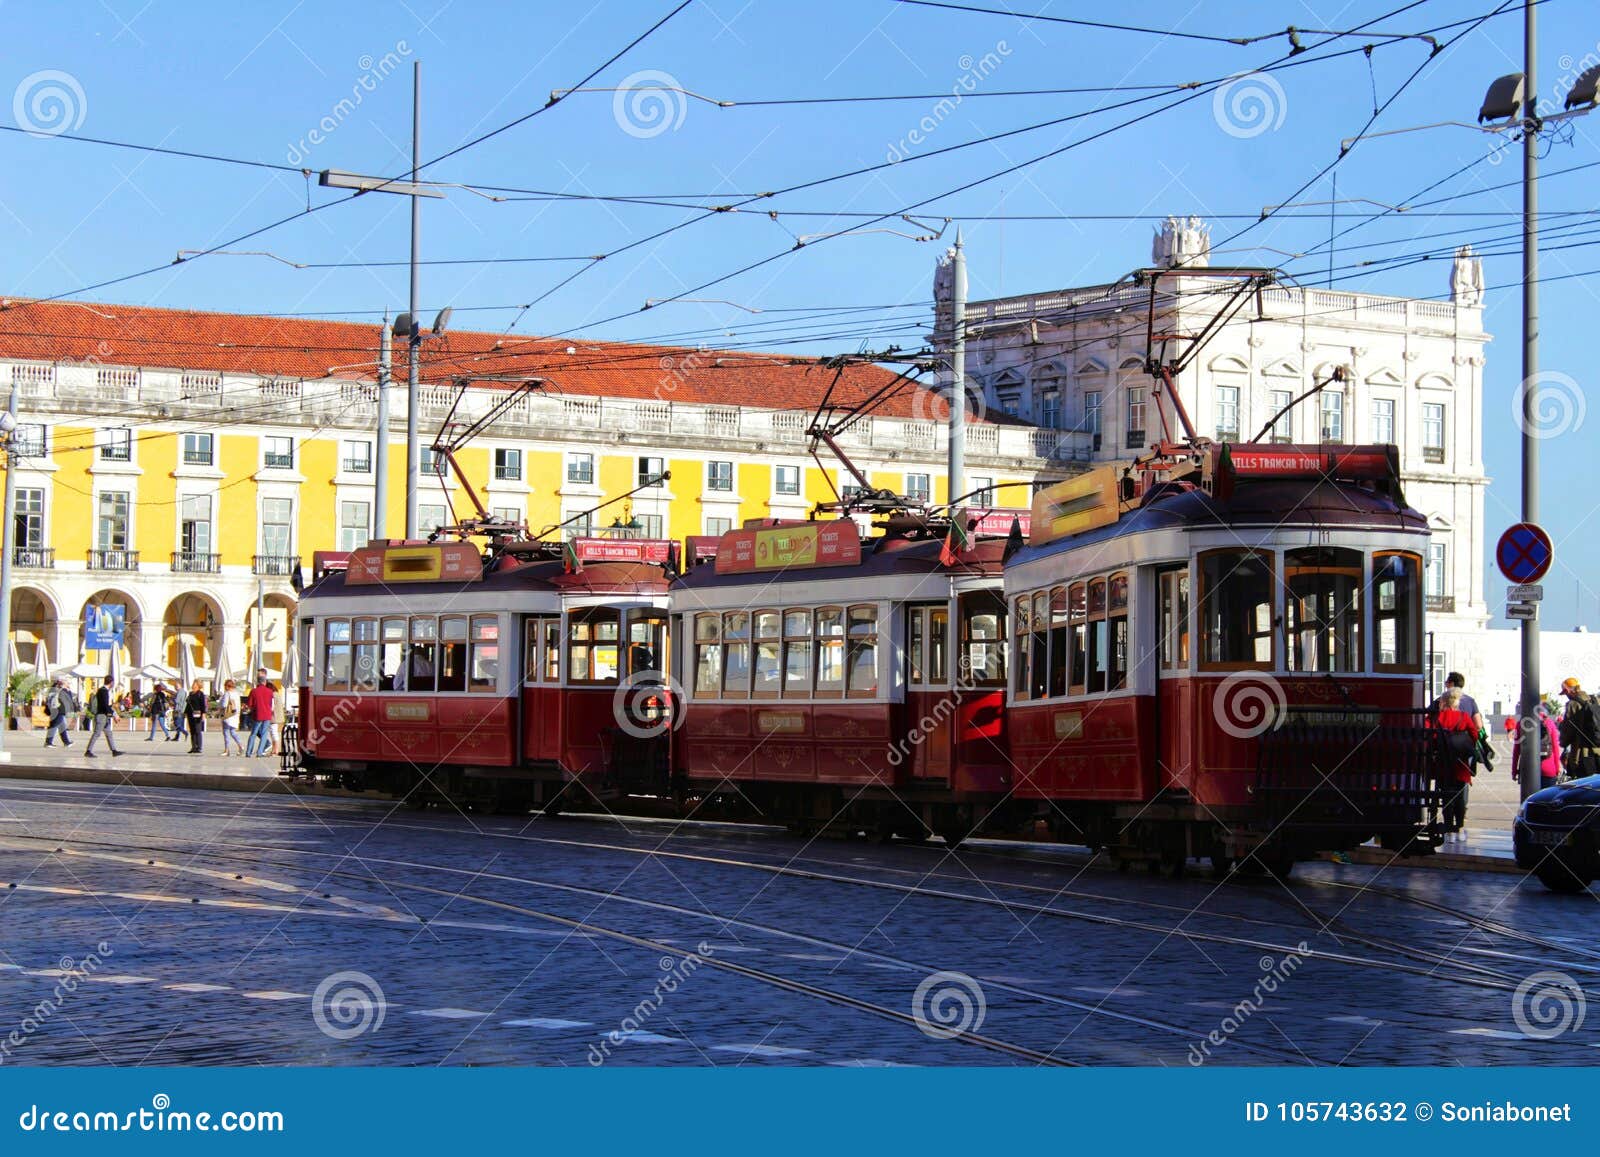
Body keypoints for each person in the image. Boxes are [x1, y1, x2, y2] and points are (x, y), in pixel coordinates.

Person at [1430, 685, 1480, 841]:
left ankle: (1448, 828)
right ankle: (1459, 827)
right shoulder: (1464, 717)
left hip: (1443, 763)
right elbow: (1474, 735)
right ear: (1457, 702)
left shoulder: (1438, 717)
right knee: (1459, 796)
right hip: (1460, 763)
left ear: (1444, 702)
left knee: (1446, 796)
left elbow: (1430, 735)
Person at [1434, 671, 1492, 772]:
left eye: (1446, 682)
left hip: (1443, 751)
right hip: (1464, 750)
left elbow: (1428, 722)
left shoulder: (1440, 701)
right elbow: (1478, 725)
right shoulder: (1470, 701)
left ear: (1451, 684)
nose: (1445, 684)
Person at [1511, 702, 1562, 788]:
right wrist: (1557, 768)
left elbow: (1516, 749)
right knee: (1547, 796)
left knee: (1530, 796)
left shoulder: (1521, 724)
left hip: (1527, 768)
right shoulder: (1549, 723)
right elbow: (1555, 748)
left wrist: (1514, 770)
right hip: (1548, 768)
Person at [1558, 677, 1600, 780]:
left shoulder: (1572, 704)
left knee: (1584, 785)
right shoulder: (1596, 700)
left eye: (1565, 693)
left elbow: (1567, 733)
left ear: (1567, 690)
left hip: (1582, 755)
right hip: (1598, 750)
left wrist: (1562, 742)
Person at [84, 681, 125, 758]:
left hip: (104, 716)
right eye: (113, 683)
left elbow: (106, 705)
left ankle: (114, 751)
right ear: (111, 682)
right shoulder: (104, 691)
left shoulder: (101, 690)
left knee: (109, 733)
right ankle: (88, 751)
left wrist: (113, 714)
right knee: (97, 734)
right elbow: (105, 706)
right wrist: (114, 714)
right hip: (101, 716)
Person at [244, 671, 276, 758]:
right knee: (264, 734)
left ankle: (248, 752)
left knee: (253, 733)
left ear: (258, 682)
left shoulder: (253, 691)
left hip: (257, 714)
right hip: (267, 715)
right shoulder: (270, 692)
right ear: (265, 682)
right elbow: (272, 705)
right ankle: (260, 752)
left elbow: (250, 704)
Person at [42, 679, 76, 748]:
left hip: (54, 710)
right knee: (54, 726)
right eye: (68, 683)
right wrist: (68, 691)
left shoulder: (54, 689)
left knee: (62, 727)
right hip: (59, 711)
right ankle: (48, 742)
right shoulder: (63, 690)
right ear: (64, 684)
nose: (69, 684)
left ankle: (66, 742)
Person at [220, 679, 245, 756]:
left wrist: (219, 706)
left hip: (227, 715)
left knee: (226, 732)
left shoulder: (227, 693)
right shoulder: (237, 694)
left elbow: (224, 705)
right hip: (235, 715)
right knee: (233, 732)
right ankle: (240, 745)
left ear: (227, 686)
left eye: (225, 686)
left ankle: (227, 750)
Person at [184, 680, 207, 754]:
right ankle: (193, 747)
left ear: (198, 685)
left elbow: (203, 705)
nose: (193, 685)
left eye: (195, 684)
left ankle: (199, 747)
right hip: (190, 713)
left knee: (197, 730)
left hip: (197, 714)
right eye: (193, 684)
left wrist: (203, 714)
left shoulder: (200, 694)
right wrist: (185, 712)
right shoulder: (191, 693)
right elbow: (188, 704)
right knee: (192, 731)